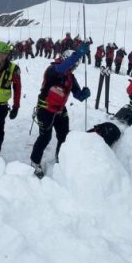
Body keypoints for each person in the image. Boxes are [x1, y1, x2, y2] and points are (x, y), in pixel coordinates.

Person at [29, 43, 91, 179]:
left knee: (64, 136)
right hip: (45, 108)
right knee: (45, 137)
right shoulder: (53, 70)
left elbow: (77, 95)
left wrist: (84, 94)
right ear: (65, 59)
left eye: (76, 65)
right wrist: (79, 53)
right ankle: (35, 161)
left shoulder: (70, 77)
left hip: (60, 110)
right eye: (73, 64)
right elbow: (62, 68)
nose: (74, 67)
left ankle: (60, 159)